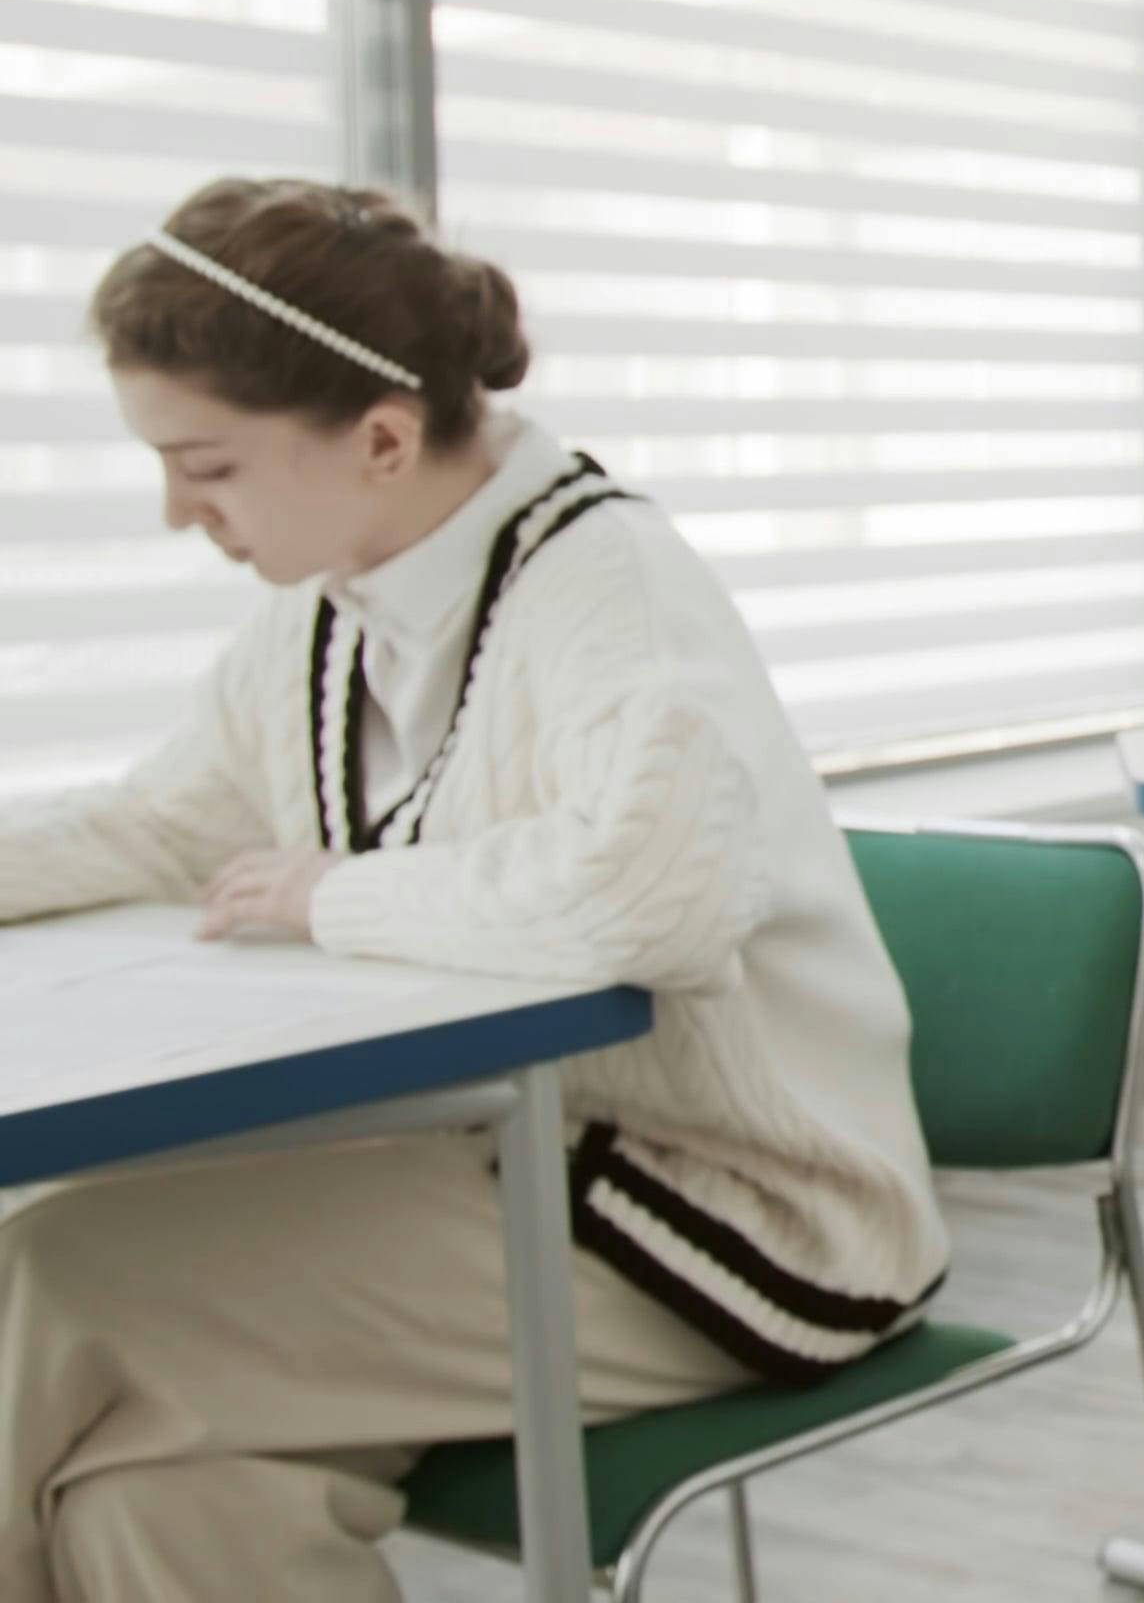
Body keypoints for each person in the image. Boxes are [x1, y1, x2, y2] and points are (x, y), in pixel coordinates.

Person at [0, 180, 945, 1602]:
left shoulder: (604, 584)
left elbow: (650, 900)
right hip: (491, 1165)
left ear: (380, 438)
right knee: (167, 1494)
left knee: (56, 1280)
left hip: (724, 1219)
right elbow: (158, 827)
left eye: (206, 465)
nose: (173, 513)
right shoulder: (325, 613)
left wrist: (336, 896)